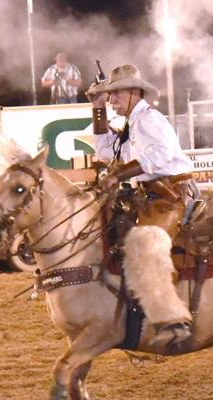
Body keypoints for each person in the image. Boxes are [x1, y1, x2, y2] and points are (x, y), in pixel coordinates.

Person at [88, 64, 198, 345]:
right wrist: (97, 108)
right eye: (108, 95)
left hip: (172, 194)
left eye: (114, 94)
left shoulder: (149, 119)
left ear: (134, 92)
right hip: (152, 196)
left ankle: (174, 322)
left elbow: (162, 154)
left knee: (147, 249)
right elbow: (104, 150)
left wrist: (119, 174)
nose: (111, 100)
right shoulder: (133, 124)